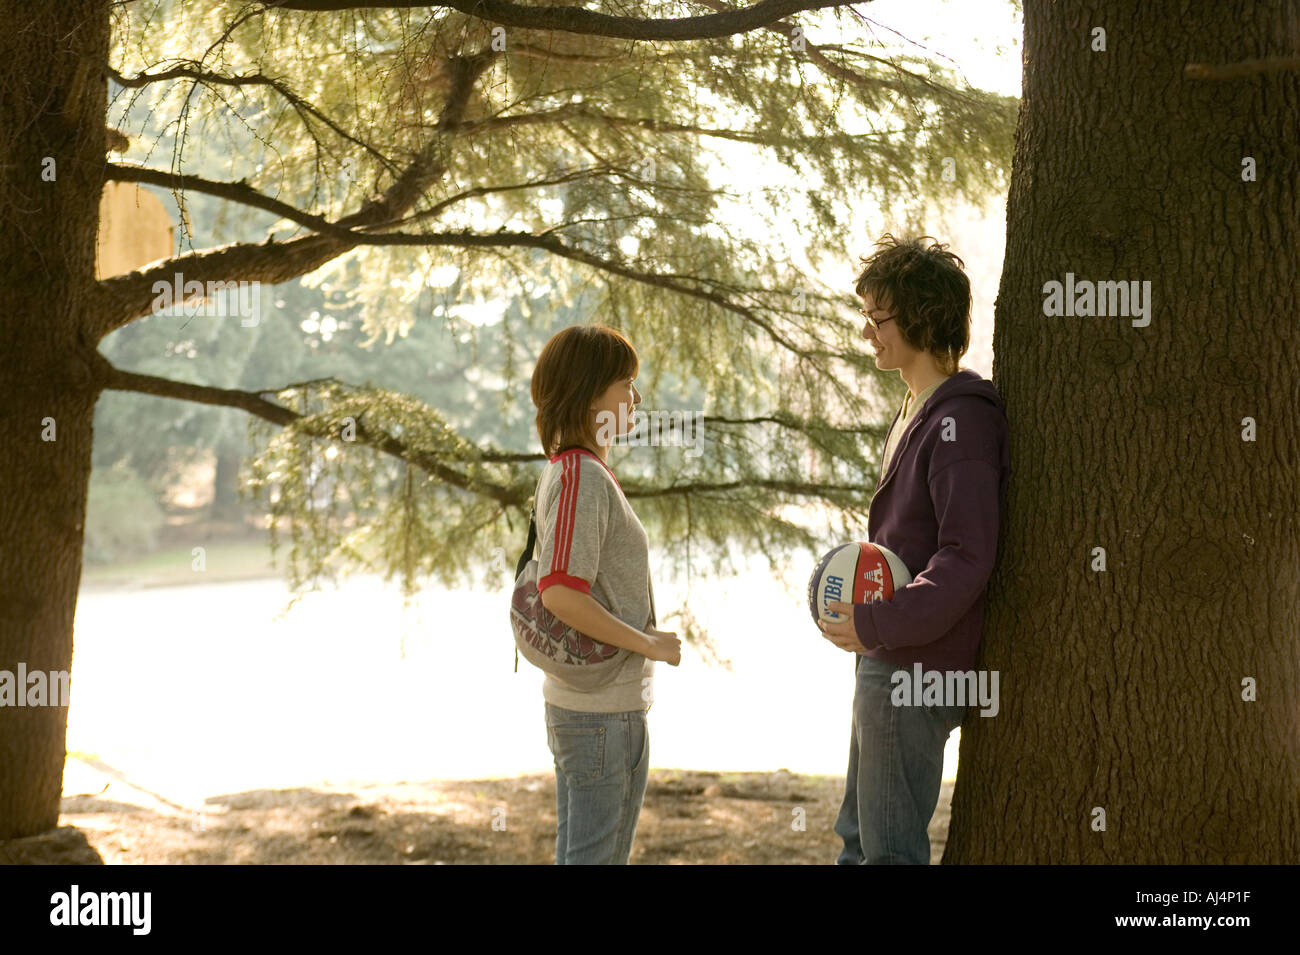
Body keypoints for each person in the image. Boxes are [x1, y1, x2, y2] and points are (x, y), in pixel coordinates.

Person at [818, 234, 1010, 864]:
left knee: (890, 855)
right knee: (857, 842)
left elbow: (966, 554)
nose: (868, 331)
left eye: (879, 318)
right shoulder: (915, 408)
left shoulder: (963, 420)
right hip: (886, 655)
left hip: (916, 670)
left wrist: (876, 621)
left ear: (921, 317)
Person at [528, 323, 683, 865]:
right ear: (589, 392)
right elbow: (560, 595)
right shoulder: (580, 476)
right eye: (625, 383)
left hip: (593, 713)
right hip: (599, 718)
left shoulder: (574, 470)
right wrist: (647, 643)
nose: (636, 397)